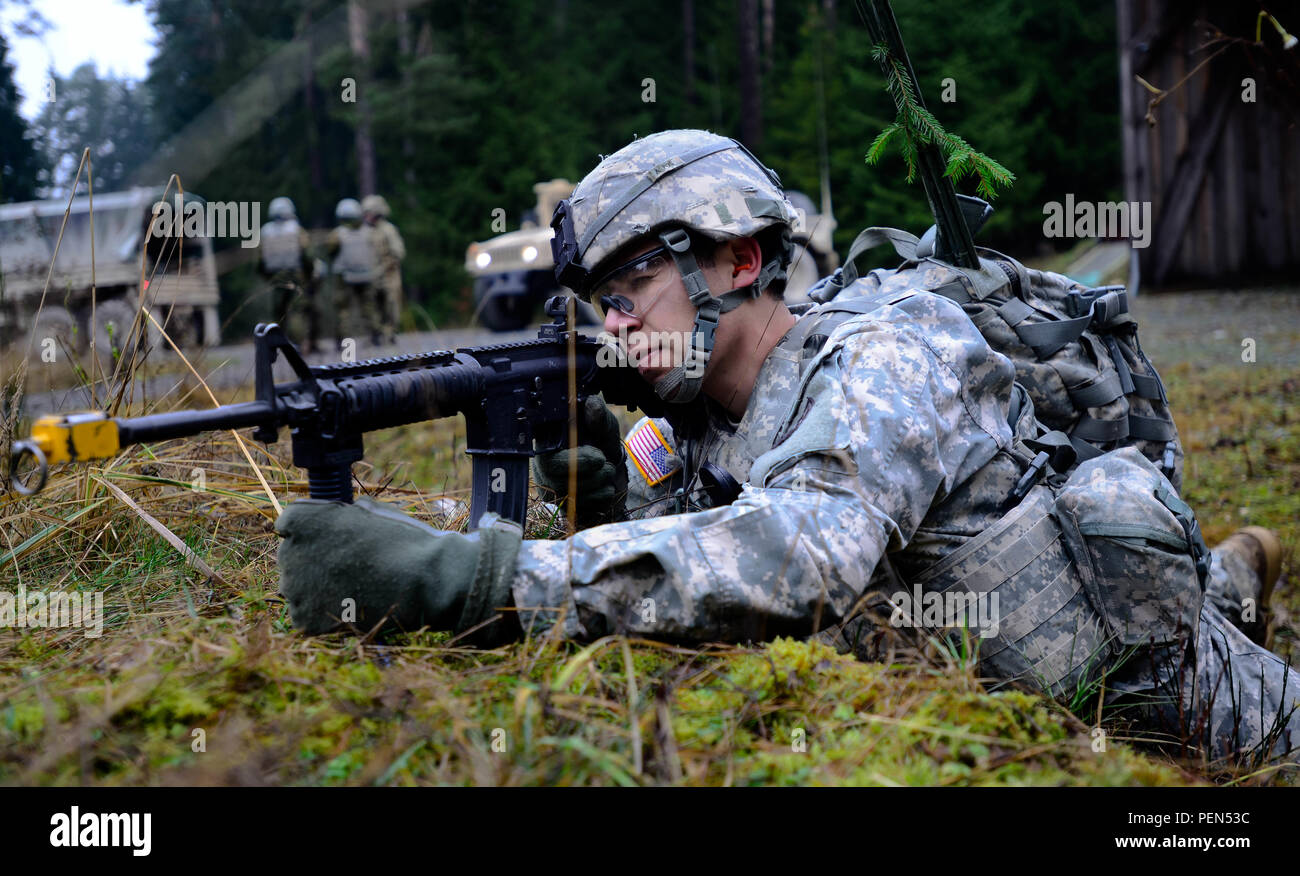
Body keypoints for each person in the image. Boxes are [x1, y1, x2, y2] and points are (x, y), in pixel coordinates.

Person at [276, 129, 1297, 765]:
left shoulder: (885, 351)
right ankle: (1232, 571)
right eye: (600, 303)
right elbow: (683, 562)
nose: (613, 324)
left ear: (740, 258)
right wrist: (590, 492)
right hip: (1002, 694)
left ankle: (1223, 591)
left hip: (1177, 706)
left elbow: (802, 554)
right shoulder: (694, 418)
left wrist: (477, 582)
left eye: (631, 291)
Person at [259, 196, 320, 352]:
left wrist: (267, 277)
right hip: (296, 275)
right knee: (297, 310)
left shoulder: (265, 232)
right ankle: (297, 344)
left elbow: (260, 260)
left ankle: (277, 344)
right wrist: (309, 274)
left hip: (276, 277)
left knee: (279, 311)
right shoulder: (297, 230)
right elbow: (308, 255)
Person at [325, 197, 381, 347]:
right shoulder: (370, 232)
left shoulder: (337, 234)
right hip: (367, 275)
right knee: (368, 308)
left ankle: (343, 341)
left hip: (344, 276)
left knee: (343, 311)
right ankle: (375, 336)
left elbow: (329, 252)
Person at [361, 194, 406, 344]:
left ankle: (390, 333)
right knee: (372, 307)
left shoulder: (388, 230)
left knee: (391, 305)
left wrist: (387, 265)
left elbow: (399, 252)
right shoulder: (365, 231)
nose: (366, 216)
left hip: (389, 275)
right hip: (371, 275)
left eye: (369, 212)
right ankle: (375, 334)